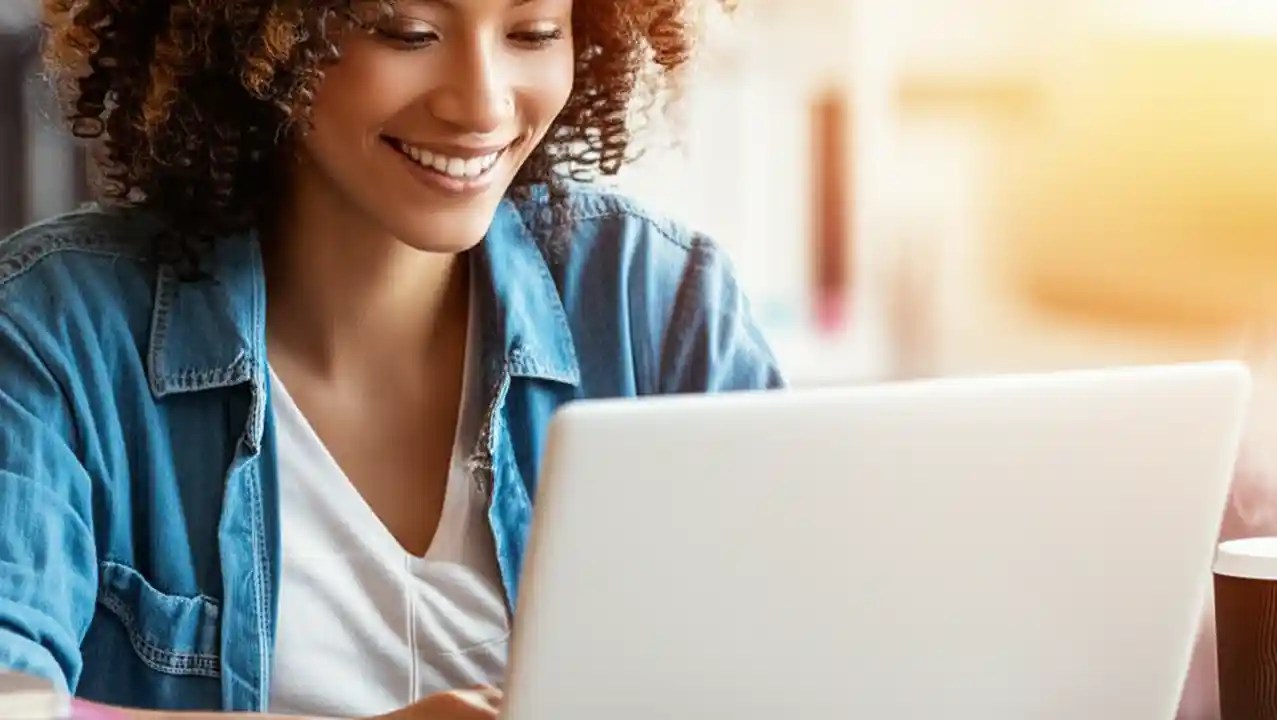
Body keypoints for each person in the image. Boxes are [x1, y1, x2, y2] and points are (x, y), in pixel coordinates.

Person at [0, 0, 784, 718]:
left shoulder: (656, 306)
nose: (481, 103)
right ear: (257, 40)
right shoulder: (57, 336)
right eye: (408, 32)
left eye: (534, 32)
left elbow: (802, 663)